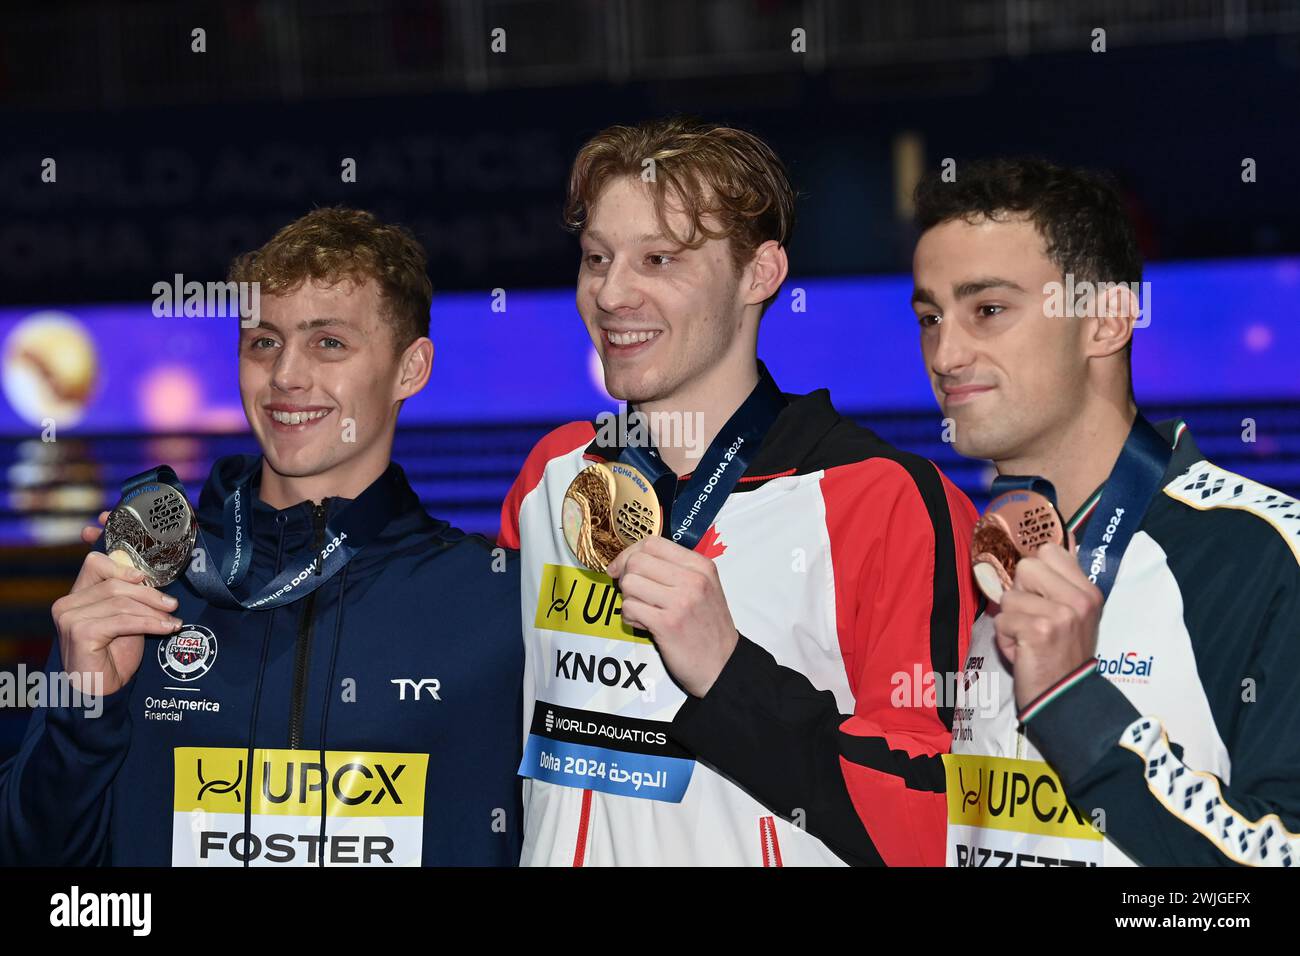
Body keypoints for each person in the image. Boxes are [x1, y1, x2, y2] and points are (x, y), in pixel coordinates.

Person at [499, 117, 979, 866]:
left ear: (760, 273)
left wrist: (729, 673)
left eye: (658, 259)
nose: (612, 293)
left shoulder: (883, 500)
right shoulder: (553, 477)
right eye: (597, 258)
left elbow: (932, 824)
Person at [0, 207, 523, 866]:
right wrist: (85, 712)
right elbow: (35, 860)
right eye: (263, 342)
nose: (286, 376)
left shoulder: (496, 605)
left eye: (328, 342)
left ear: (410, 369)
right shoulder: (143, 580)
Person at [910, 157, 1300, 866]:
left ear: (1106, 320)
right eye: (931, 317)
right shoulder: (957, 557)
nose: (946, 352)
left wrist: (1074, 703)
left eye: (987, 310)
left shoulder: (1263, 550)